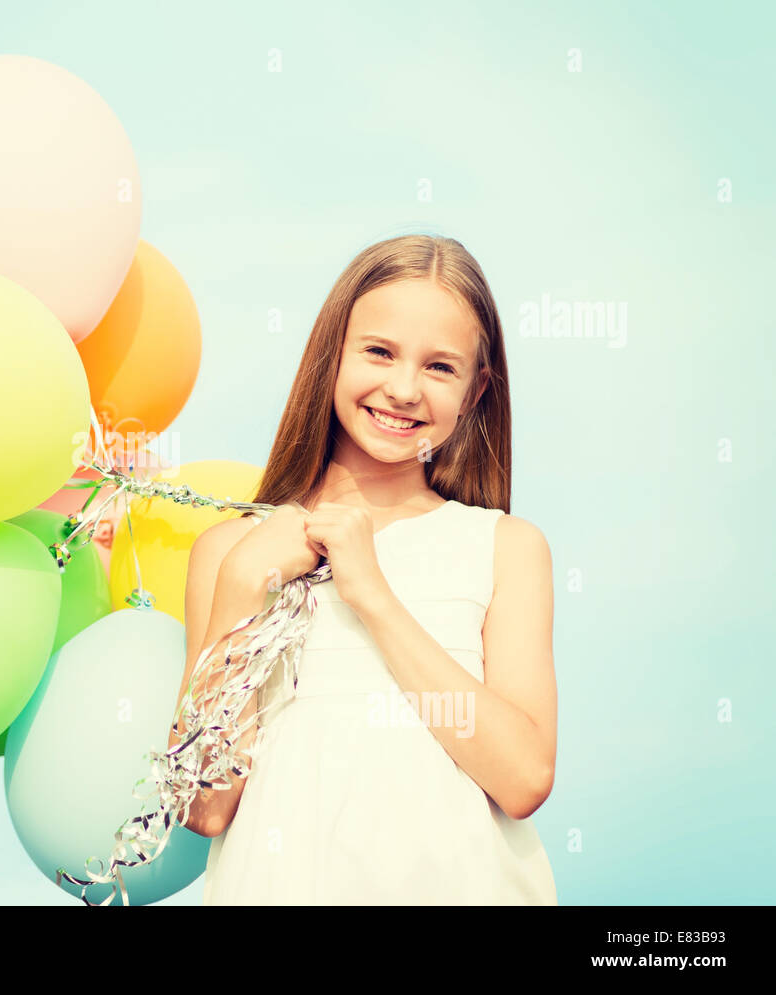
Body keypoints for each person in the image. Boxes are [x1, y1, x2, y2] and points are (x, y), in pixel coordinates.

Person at [169, 234, 559, 905]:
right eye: (378, 351)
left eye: (440, 367)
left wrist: (373, 594)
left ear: (475, 391)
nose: (403, 388)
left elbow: (524, 776)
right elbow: (205, 806)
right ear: (331, 356)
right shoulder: (232, 552)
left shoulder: (504, 547)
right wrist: (240, 588)